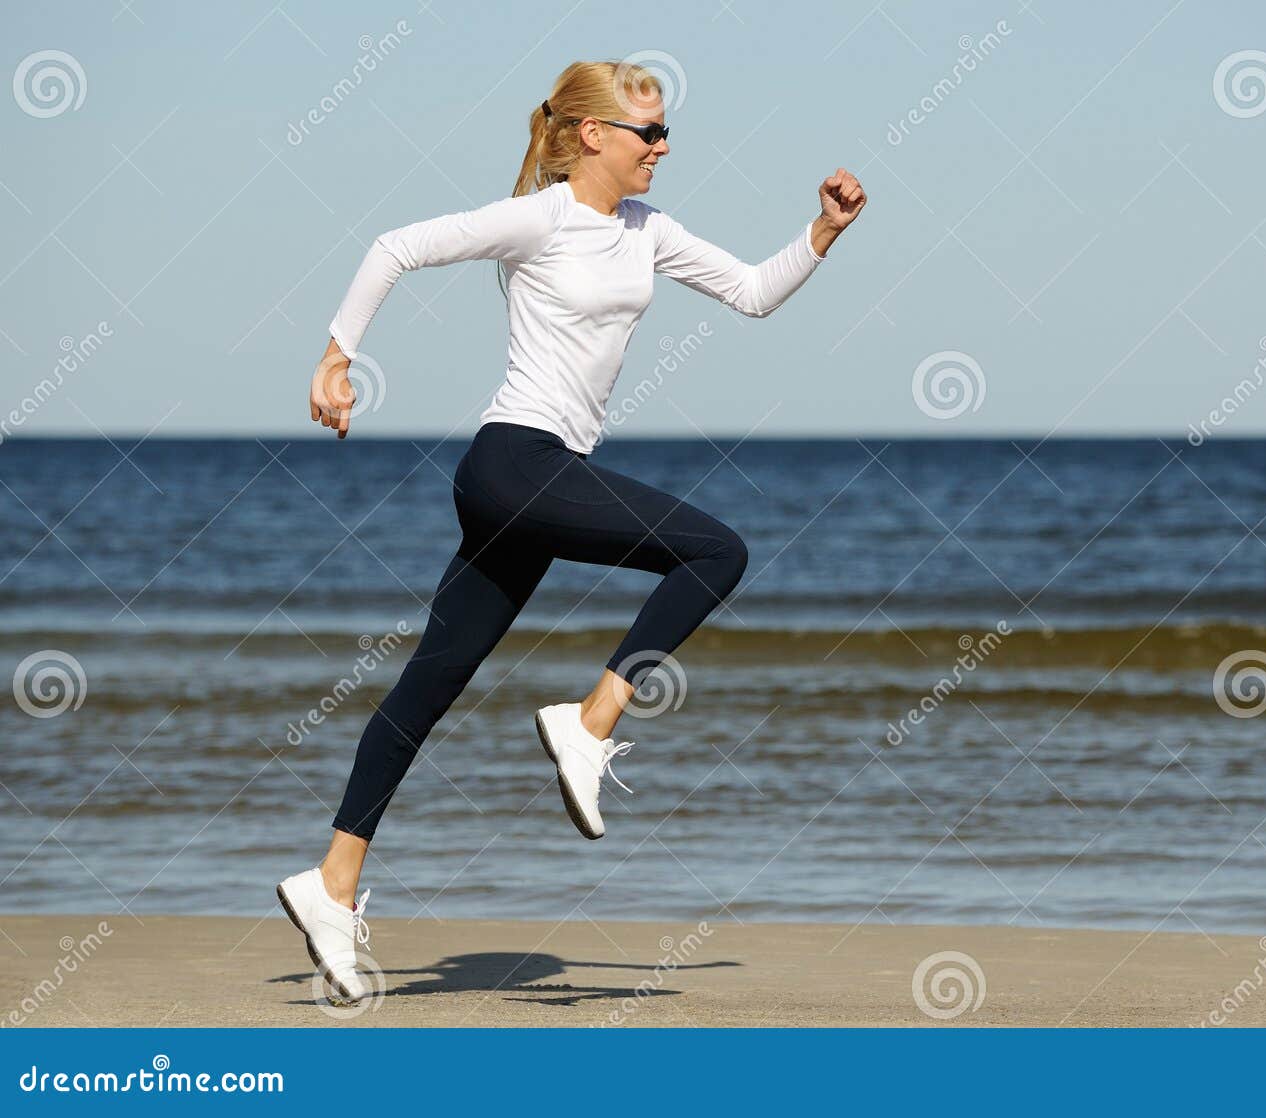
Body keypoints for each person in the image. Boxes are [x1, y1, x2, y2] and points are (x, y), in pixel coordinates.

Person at [275, 59, 866, 1004]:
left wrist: (823, 233)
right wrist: (337, 356)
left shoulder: (649, 231)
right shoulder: (538, 218)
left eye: (667, 133)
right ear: (592, 135)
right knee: (718, 551)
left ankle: (332, 881)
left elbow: (754, 293)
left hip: (536, 482)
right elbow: (394, 245)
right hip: (515, 463)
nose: (664, 148)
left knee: (430, 682)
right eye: (649, 134)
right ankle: (589, 721)